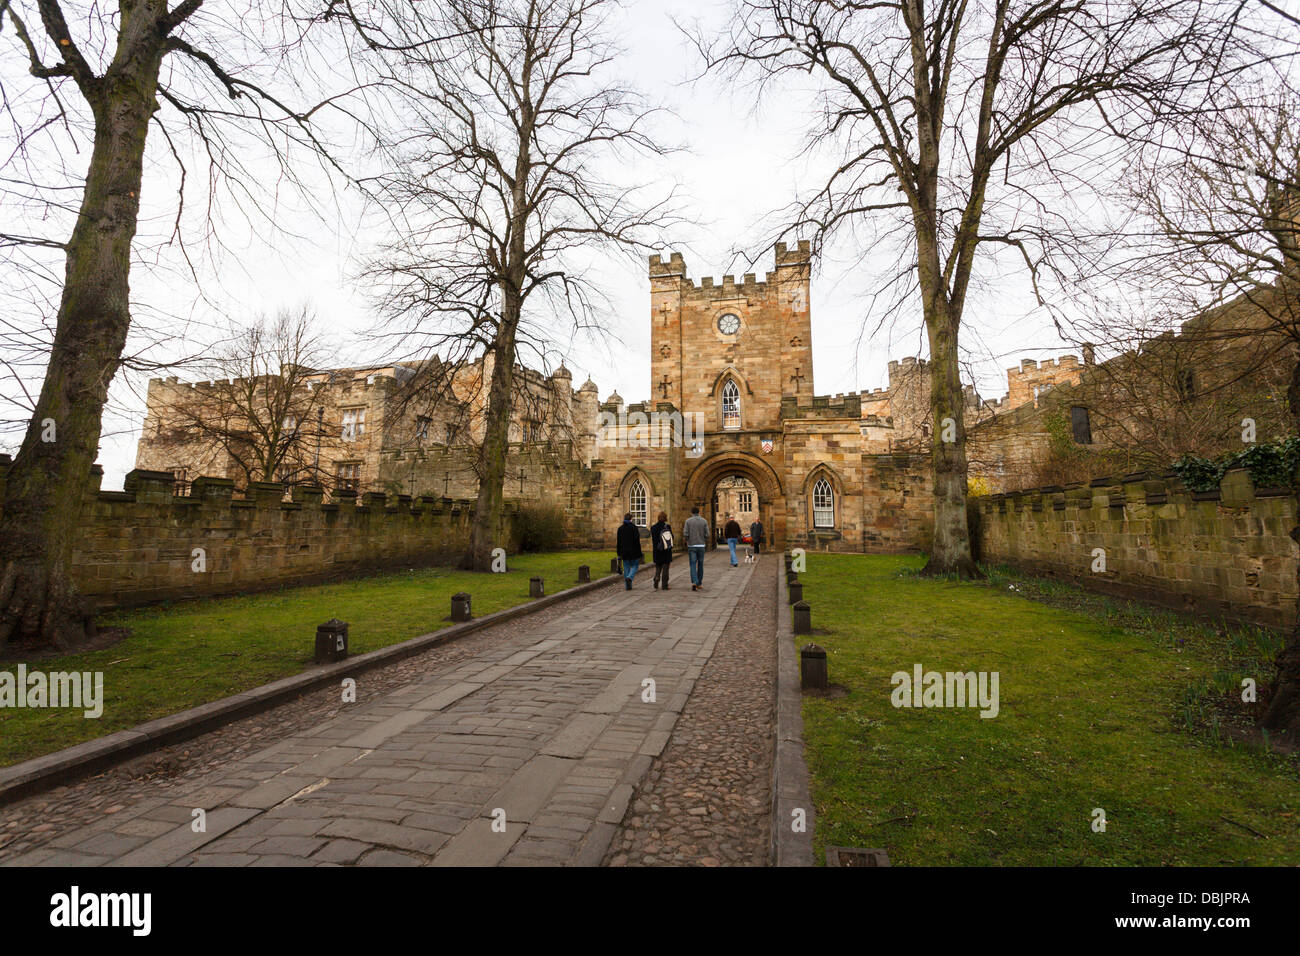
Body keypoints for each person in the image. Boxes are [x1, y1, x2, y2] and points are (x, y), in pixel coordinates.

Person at [683, 506, 709, 591]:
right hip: (701, 545)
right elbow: (707, 534)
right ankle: (699, 583)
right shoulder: (704, 521)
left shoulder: (688, 521)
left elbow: (686, 533)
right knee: (700, 564)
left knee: (693, 564)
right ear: (699, 512)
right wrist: (703, 540)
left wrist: (687, 540)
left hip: (692, 545)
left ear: (692, 512)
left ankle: (694, 581)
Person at [616, 512, 643, 590]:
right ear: (631, 519)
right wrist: (639, 552)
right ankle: (629, 577)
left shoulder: (620, 528)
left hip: (624, 551)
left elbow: (619, 542)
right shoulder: (634, 528)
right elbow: (637, 541)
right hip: (634, 551)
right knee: (635, 566)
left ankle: (628, 586)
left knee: (626, 567)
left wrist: (618, 552)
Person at [650, 511, 673, 590]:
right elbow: (671, 537)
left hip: (657, 550)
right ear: (665, 518)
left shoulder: (653, 527)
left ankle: (657, 577)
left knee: (658, 566)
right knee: (665, 568)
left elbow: (653, 539)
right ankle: (664, 585)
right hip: (666, 550)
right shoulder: (667, 527)